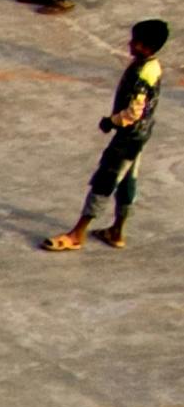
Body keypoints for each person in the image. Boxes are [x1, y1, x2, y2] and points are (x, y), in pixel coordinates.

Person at [44, 17, 166, 251]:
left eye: (136, 42)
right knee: (127, 181)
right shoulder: (154, 66)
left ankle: (77, 233)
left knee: (105, 180)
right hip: (141, 136)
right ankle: (117, 231)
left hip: (128, 137)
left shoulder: (142, 74)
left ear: (147, 47)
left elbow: (134, 111)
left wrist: (111, 121)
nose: (131, 45)